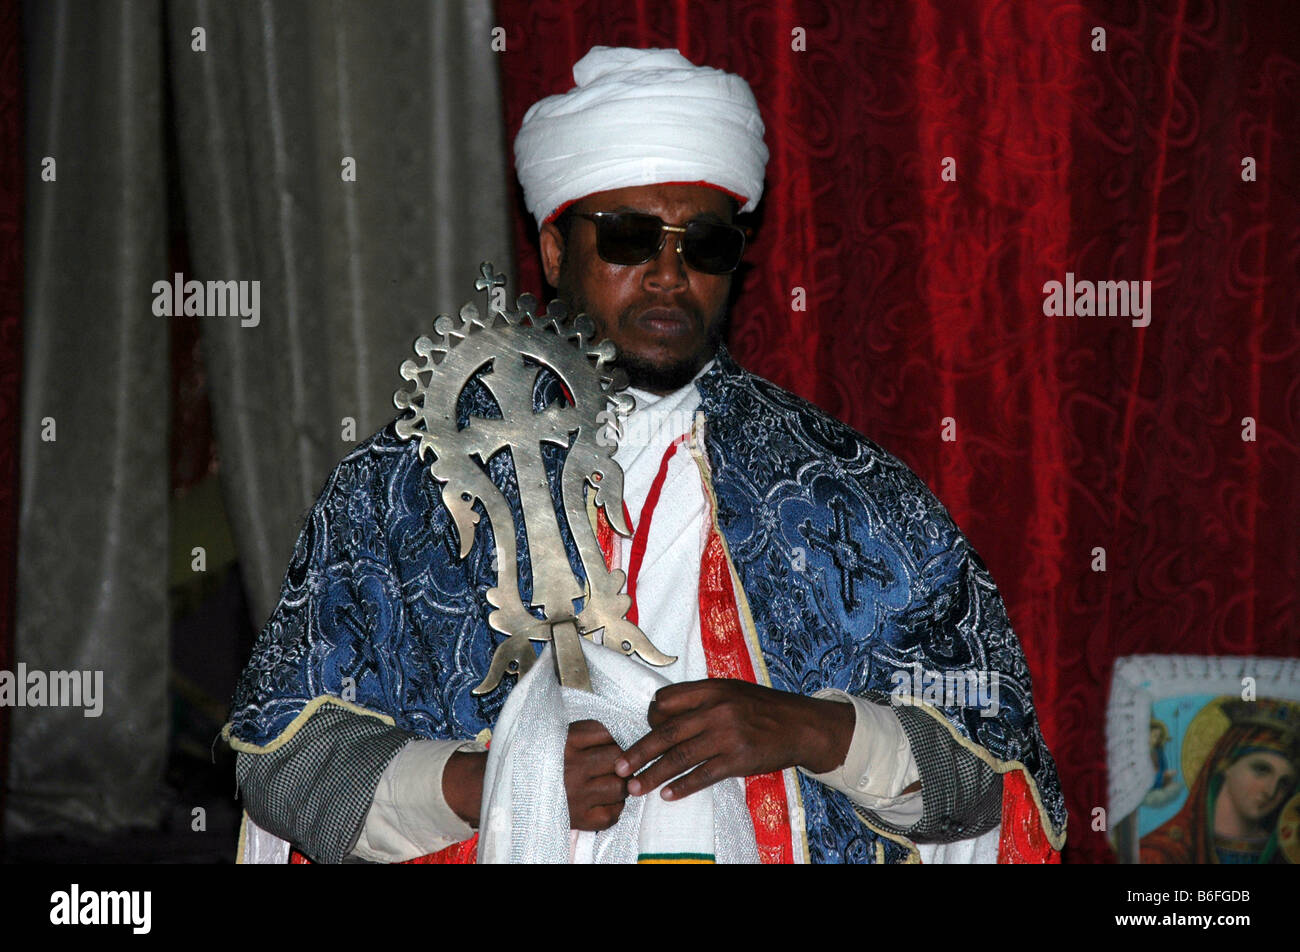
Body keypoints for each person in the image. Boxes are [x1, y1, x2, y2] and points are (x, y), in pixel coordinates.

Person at [225, 45, 1066, 864]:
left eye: (704, 245)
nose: (669, 275)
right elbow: (285, 759)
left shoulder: (849, 493)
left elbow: (991, 768)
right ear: (556, 250)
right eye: (630, 237)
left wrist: (812, 730)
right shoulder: (403, 485)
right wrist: (490, 782)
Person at [1140, 699, 1299, 864]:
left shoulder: (1287, 854)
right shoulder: (1161, 853)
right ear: (1225, 763)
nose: (1271, 791)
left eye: (1284, 783)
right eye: (1261, 770)